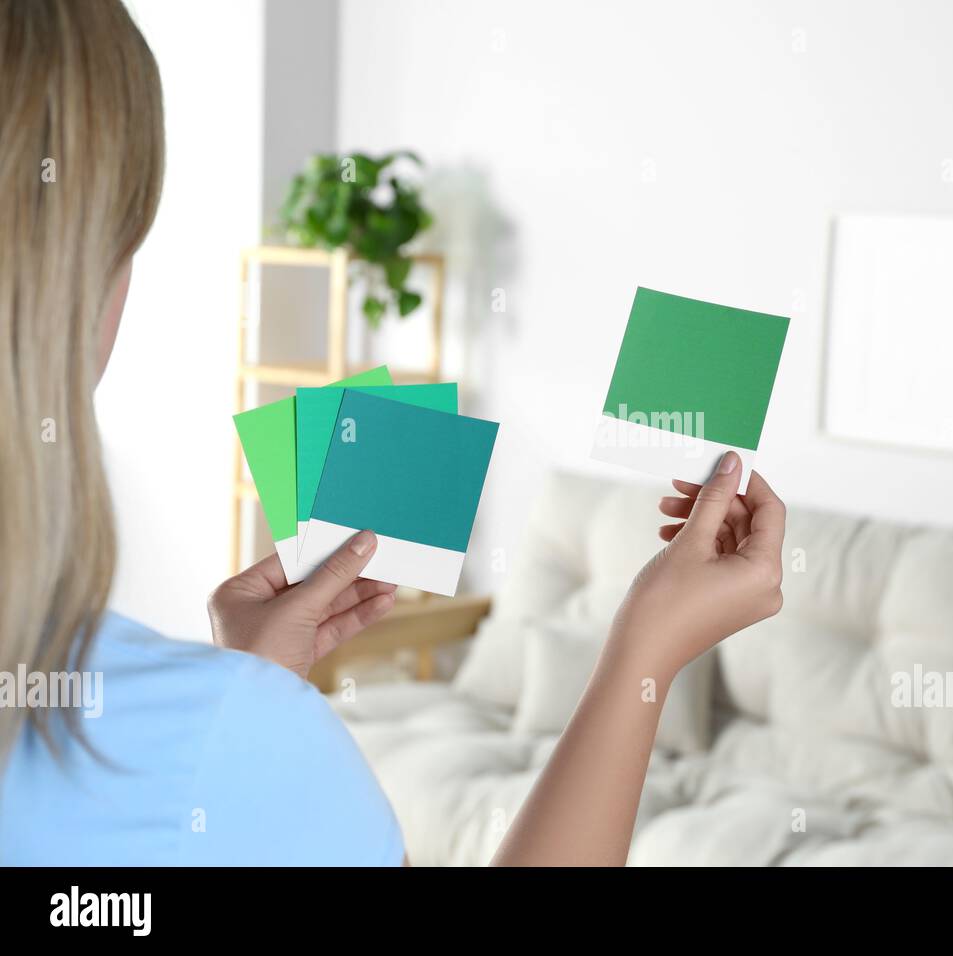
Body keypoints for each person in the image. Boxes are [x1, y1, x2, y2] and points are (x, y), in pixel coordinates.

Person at [0, 0, 785, 867]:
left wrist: (245, 697)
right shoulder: (210, 748)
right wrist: (649, 644)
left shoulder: (212, 734)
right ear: (80, 283)